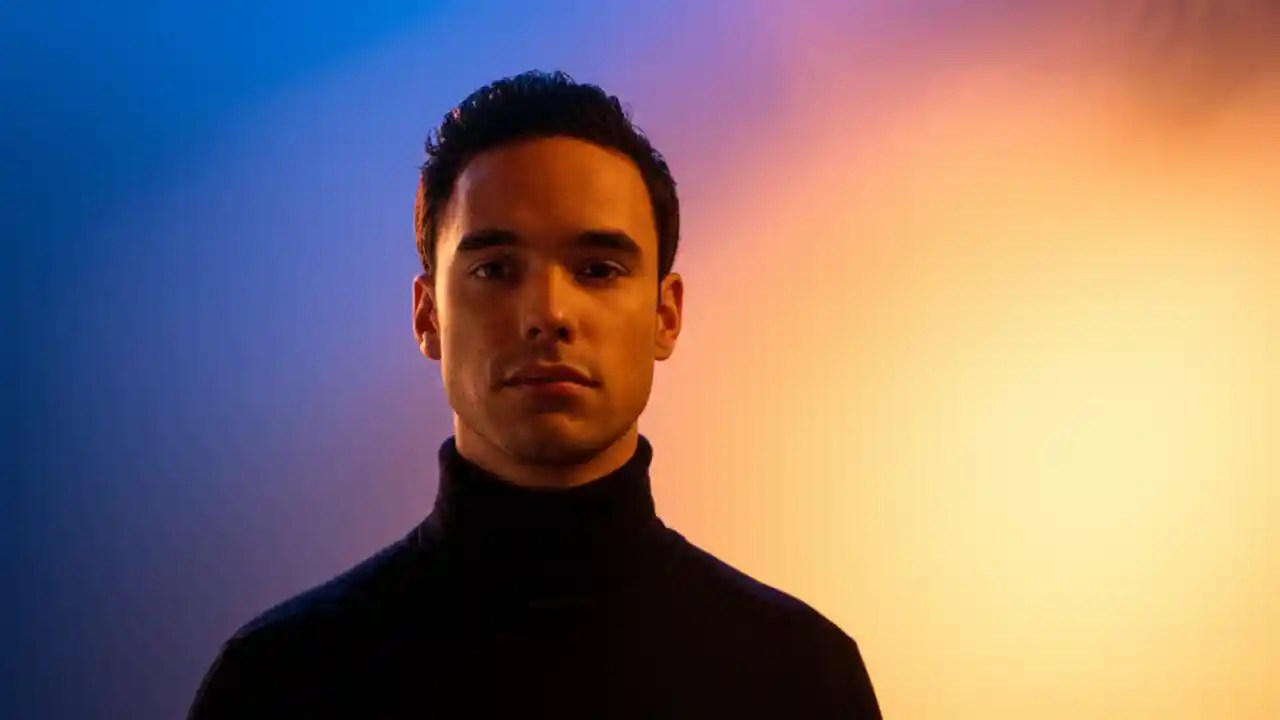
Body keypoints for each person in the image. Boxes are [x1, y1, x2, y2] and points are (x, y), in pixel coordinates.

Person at [188, 69, 882, 718]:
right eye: (494, 269)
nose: (548, 312)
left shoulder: (801, 678)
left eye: (599, 268)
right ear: (428, 317)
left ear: (665, 315)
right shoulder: (278, 684)